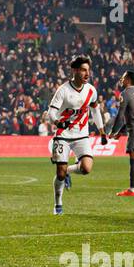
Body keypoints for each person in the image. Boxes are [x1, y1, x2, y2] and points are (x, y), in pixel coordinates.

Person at [45, 56, 105, 215]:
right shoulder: (63, 90)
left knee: (86, 168)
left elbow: (95, 110)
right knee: (60, 173)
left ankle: (69, 172)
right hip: (63, 134)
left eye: (88, 70)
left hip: (81, 135)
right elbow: (50, 112)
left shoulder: (91, 90)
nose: (87, 74)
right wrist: (57, 122)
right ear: (75, 71)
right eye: (84, 70)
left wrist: (101, 130)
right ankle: (58, 204)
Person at [103, 70, 134, 196]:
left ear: (128, 80)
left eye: (123, 77)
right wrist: (121, 132)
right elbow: (133, 115)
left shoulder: (125, 93)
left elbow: (121, 115)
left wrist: (113, 131)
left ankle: (132, 189)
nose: (121, 79)